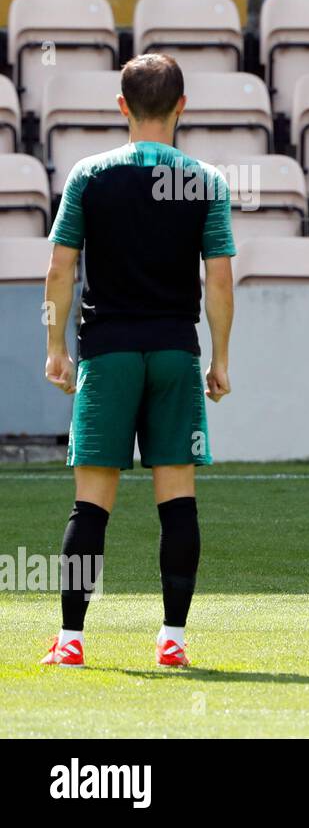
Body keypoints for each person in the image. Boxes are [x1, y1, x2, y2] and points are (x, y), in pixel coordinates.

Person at [41, 53, 235, 668]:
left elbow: (61, 267)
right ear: (182, 107)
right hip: (177, 352)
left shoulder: (88, 175)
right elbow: (220, 281)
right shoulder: (207, 181)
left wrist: (56, 348)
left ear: (122, 106)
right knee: (177, 498)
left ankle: (71, 641)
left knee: (90, 503)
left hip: (108, 352)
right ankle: (172, 639)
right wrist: (221, 359)